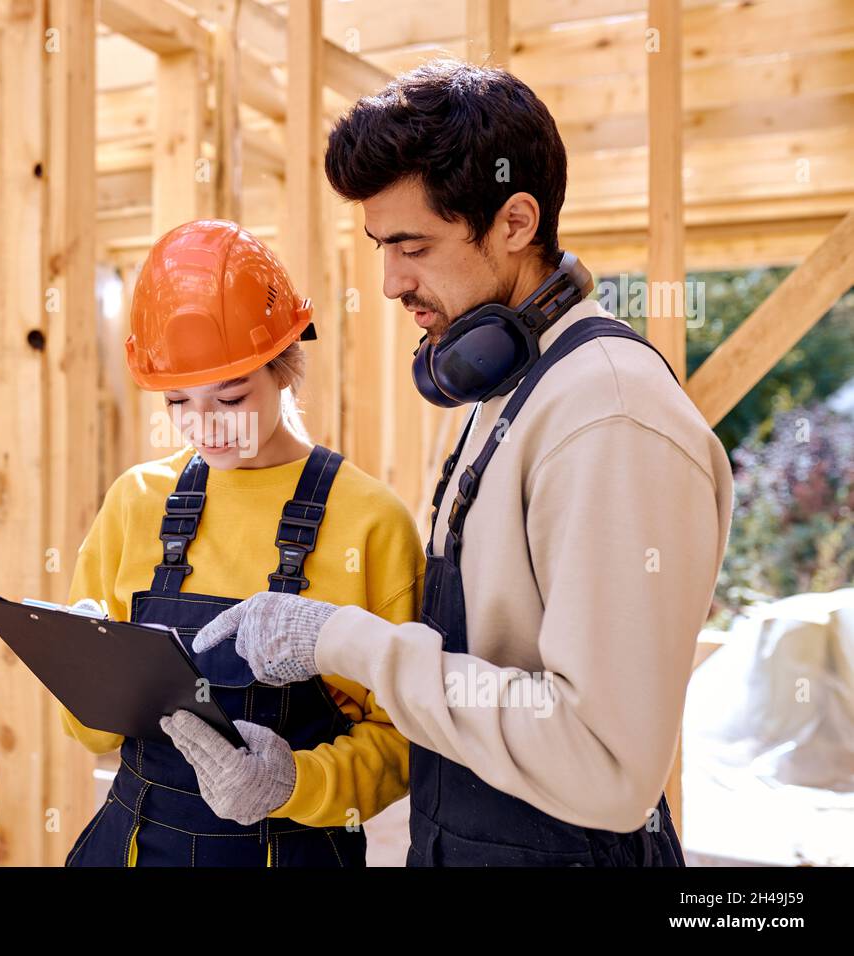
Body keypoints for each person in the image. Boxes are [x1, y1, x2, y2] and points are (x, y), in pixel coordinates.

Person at [174, 62, 735, 867]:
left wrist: (346, 640)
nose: (391, 281)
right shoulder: (511, 392)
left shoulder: (608, 416)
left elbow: (607, 765)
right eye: (379, 245)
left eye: (413, 245)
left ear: (514, 221)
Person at [62, 219, 423, 867]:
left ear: (285, 365)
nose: (205, 428)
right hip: (135, 841)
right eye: (179, 402)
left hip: (292, 850)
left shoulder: (369, 522)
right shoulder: (135, 502)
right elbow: (93, 738)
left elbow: (405, 741)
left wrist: (294, 784)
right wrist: (81, 678)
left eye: (230, 397)